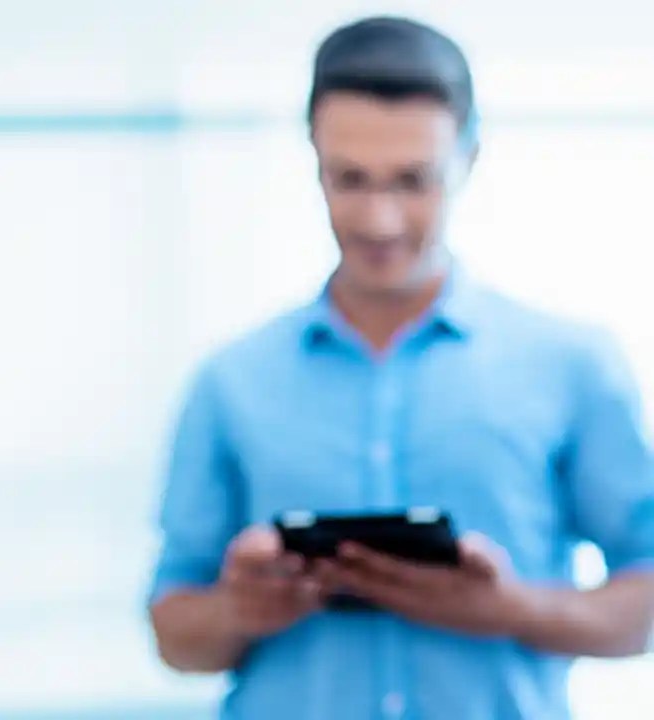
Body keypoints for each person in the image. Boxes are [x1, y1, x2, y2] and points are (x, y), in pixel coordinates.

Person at [147, 16, 654, 720]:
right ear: (313, 160)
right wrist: (240, 608)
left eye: (414, 181)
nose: (380, 219)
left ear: (468, 159)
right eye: (349, 179)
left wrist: (509, 609)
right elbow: (174, 633)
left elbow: (647, 602)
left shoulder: (573, 365)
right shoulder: (230, 382)